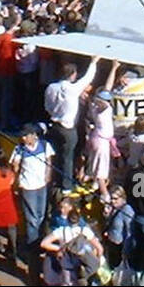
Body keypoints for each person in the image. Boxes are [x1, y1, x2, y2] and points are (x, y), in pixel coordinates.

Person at [44, 55, 99, 192]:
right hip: (68, 129)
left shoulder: (51, 87)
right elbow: (87, 78)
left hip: (54, 125)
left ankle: (55, 179)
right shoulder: (72, 89)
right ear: (73, 75)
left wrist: (54, 113)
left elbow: (47, 106)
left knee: (55, 154)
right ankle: (66, 186)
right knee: (67, 157)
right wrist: (93, 62)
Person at [10, 123, 54, 274]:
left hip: (41, 185)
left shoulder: (44, 145)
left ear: (33, 135)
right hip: (28, 187)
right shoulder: (19, 149)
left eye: (25, 135)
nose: (23, 138)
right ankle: (32, 250)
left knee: (41, 216)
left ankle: (39, 246)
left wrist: (47, 175)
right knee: (32, 219)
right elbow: (15, 166)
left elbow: (49, 161)